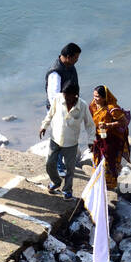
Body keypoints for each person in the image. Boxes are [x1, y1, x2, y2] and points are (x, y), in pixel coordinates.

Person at [38, 81, 95, 199]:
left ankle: (67, 190)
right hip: (55, 139)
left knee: (70, 169)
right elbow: (50, 114)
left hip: (71, 143)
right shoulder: (58, 99)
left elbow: (89, 125)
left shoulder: (83, 106)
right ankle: (56, 181)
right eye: (65, 95)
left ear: (76, 95)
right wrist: (44, 126)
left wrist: (91, 140)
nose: (66, 98)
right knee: (49, 164)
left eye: (69, 96)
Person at [45, 43, 82, 185]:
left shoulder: (69, 66)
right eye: (76, 58)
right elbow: (53, 97)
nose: (77, 61)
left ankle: (61, 165)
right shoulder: (55, 72)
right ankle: (59, 167)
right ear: (67, 57)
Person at [89, 85, 131, 191]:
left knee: (109, 160)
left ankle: (110, 184)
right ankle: (99, 181)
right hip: (99, 137)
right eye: (94, 96)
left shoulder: (112, 108)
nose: (95, 98)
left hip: (111, 139)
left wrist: (108, 125)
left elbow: (124, 122)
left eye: (98, 96)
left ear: (105, 97)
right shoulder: (93, 105)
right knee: (97, 159)